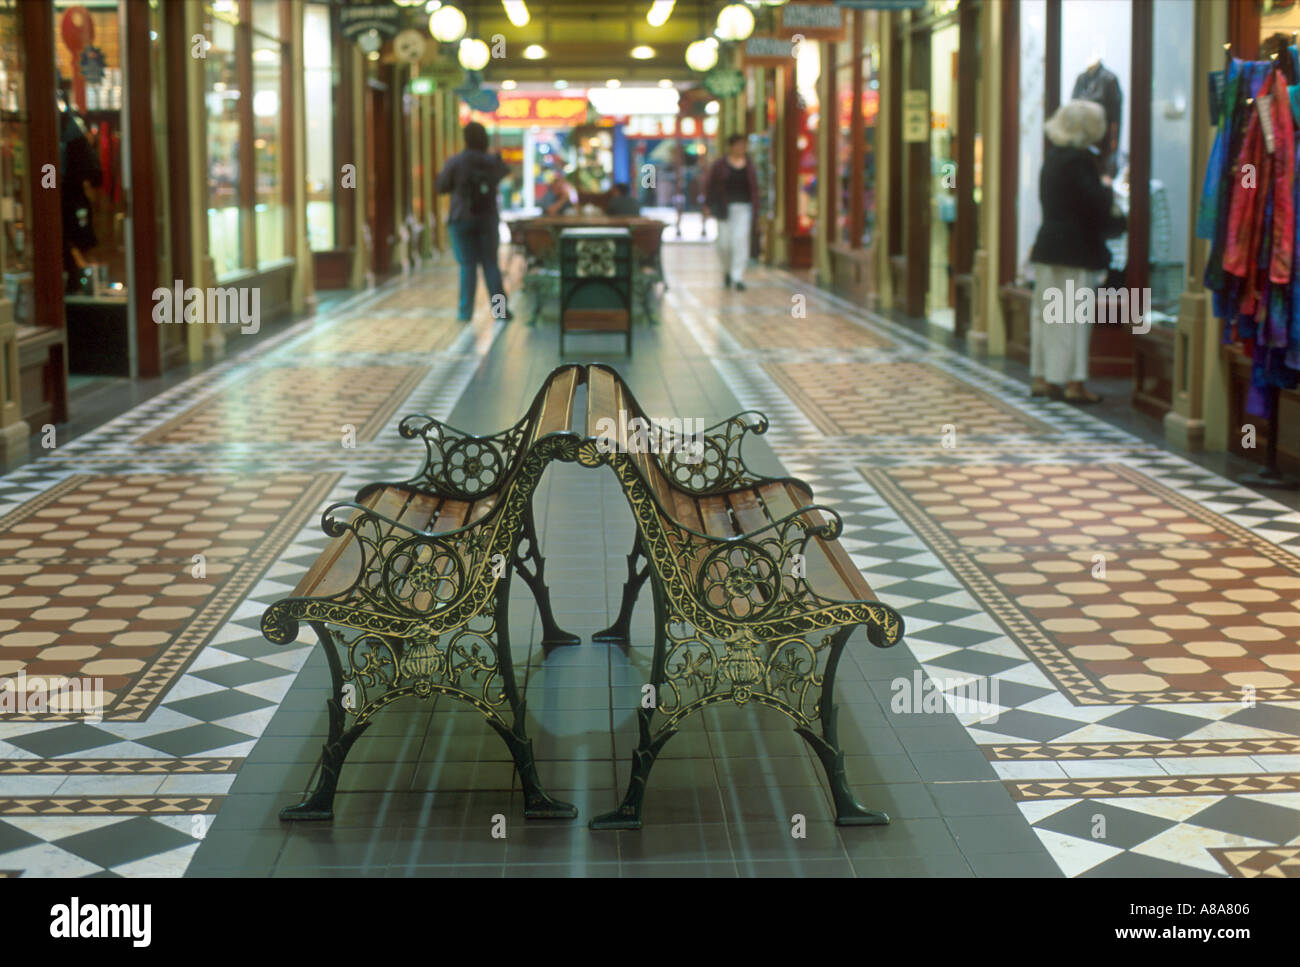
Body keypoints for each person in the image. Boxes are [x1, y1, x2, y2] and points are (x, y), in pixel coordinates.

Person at [1028, 100, 1113, 405]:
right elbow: (1094, 205)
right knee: (1073, 317)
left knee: (1045, 315)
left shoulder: (1052, 159)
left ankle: (1042, 376)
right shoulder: (1081, 162)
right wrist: (1107, 189)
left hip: (1049, 245)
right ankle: (1074, 381)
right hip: (1075, 249)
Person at [436, 121, 512, 322]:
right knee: (491, 265)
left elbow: (440, 186)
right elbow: (505, 171)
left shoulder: (456, 162)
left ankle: (465, 312)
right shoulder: (491, 161)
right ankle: (500, 311)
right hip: (487, 218)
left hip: (461, 218)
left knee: (467, 266)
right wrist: (495, 157)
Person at [702, 133, 760, 290]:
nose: (741, 148)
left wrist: (756, 209)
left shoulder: (749, 165)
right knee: (724, 243)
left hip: (744, 208)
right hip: (724, 209)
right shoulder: (720, 165)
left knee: (740, 241)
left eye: (743, 145)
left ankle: (737, 276)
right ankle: (727, 270)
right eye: (738, 144)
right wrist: (707, 205)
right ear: (731, 146)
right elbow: (710, 185)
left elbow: (755, 189)